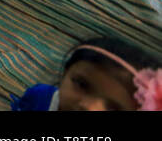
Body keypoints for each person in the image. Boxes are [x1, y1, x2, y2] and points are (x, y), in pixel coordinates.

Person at [12, 38, 161, 111]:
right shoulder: (40, 99)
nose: (89, 107)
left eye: (113, 109)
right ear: (65, 72)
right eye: (82, 85)